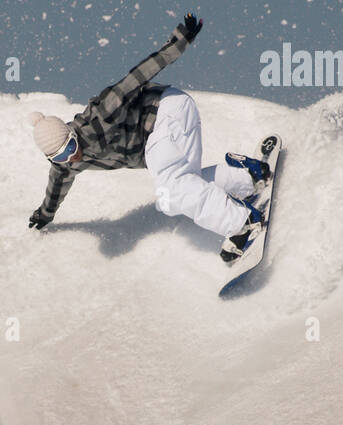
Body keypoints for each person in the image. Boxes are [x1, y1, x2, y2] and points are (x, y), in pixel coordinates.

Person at [27, 14, 271, 261]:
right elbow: (55, 189)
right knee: (174, 196)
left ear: (72, 133)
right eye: (61, 156)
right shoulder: (64, 167)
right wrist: (44, 215)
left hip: (165, 111)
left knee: (174, 188)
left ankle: (244, 222)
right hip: (159, 138)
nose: (72, 156)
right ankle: (248, 177)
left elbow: (138, 75)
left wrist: (178, 42)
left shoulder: (100, 115)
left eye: (70, 146)